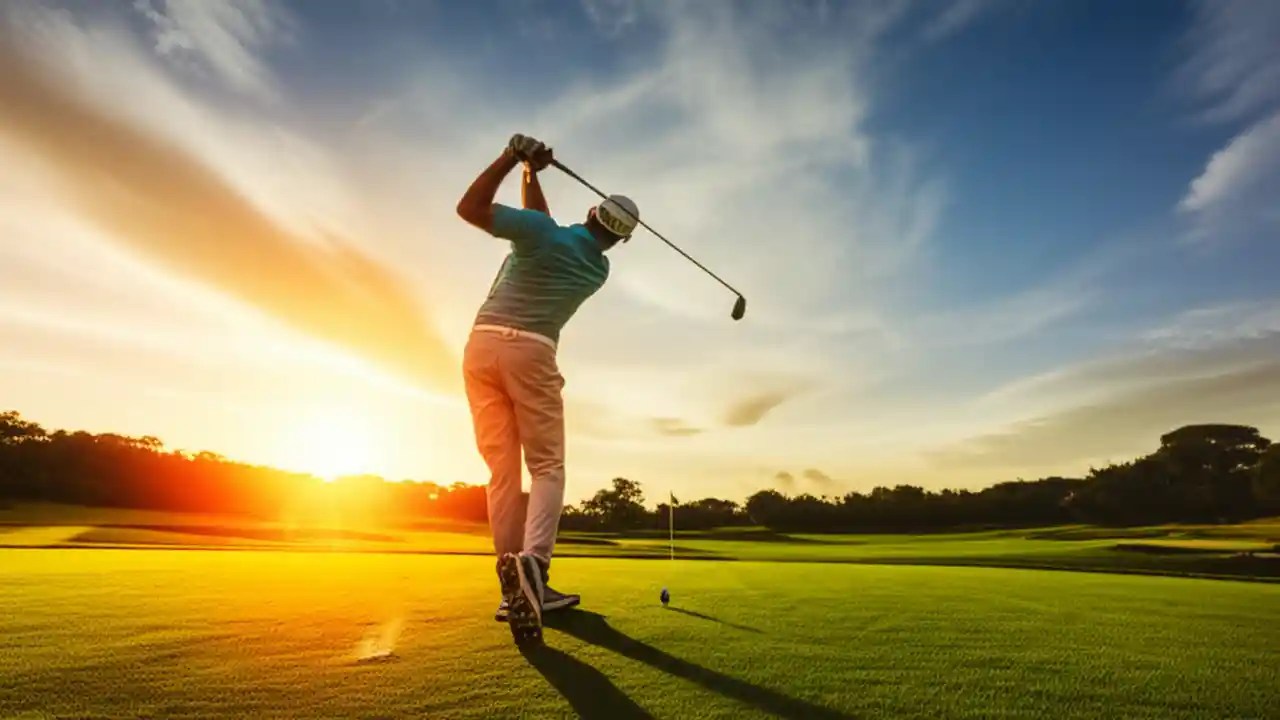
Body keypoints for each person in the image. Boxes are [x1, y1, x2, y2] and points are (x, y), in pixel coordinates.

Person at [455, 133, 640, 645]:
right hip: (531, 354)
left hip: (480, 347)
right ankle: (533, 567)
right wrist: (531, 174)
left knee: (501, 471)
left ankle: (514, 583)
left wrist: (513, 158)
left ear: (591, 212)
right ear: (619, 239)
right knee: (548, 468)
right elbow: (542, 225)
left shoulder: (542, 233)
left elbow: (471, 208)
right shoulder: (597, 268)